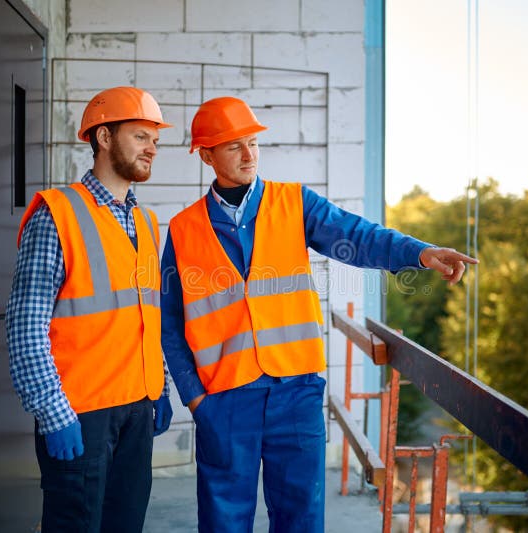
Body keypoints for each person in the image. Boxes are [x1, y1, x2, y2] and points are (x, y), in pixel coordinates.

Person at [161, 96, 478, 532]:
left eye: (253, 142)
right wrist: (196, 400)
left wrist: (420, 253)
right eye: (235, 146)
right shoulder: (183, 230)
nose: (249, 154)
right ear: (207, 154)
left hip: (297, 393)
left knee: (301, 521)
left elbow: (359, 236)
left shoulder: (293, 204)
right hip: (226, 398)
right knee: (222, 523)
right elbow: (171, 326)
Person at [6, 86, 174, 532]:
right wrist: (53, 412)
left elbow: (145, 315)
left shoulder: (146, 221)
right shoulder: (57, 214)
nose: (152, 148)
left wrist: (161, 389)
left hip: (137, 408)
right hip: (81, 416)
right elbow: (25, 327)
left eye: (155, 139)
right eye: (140, 136)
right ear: (103, 137)